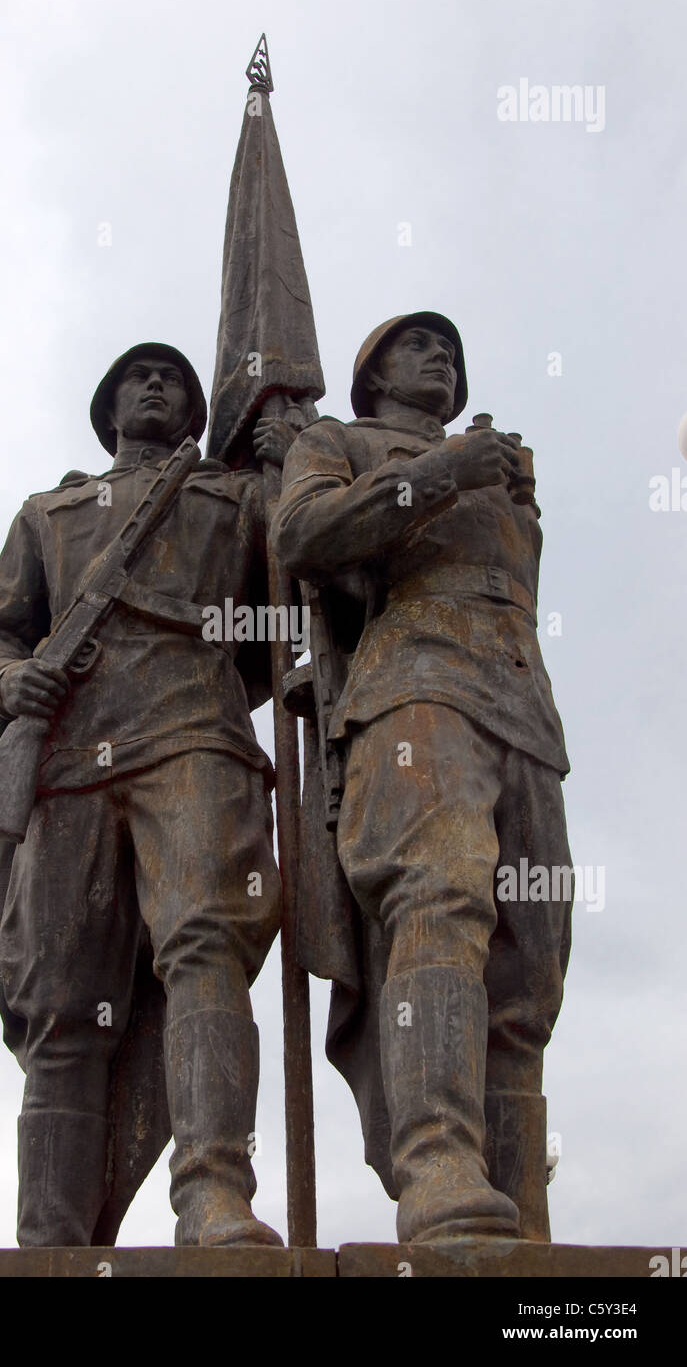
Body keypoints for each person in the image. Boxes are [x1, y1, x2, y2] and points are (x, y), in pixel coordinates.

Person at [0, 342, 288, 1248]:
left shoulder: (234, 500)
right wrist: (8, 680)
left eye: (173, 379)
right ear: (108, 410)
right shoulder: (47, 514)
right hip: (68, 758)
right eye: (137, 377)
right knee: (62, 1001)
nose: (156, 386)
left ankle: (214, 1196)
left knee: (206, 951)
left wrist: (288, 447)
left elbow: (292, 609)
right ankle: (51, 1235)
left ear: (193, 412)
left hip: (195, 734)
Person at [272, 313, 572, 1244]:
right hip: (413, 686)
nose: (439, 357)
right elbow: (304, 536)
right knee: (438, 903)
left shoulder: (499, 465)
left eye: (449, 348)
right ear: (372, 377)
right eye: (417, 346)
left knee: (530, 966)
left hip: (520, 706)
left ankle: (518, 1211)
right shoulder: (340, 442)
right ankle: (438, 1169)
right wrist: (444, 474)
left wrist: (489, 476)